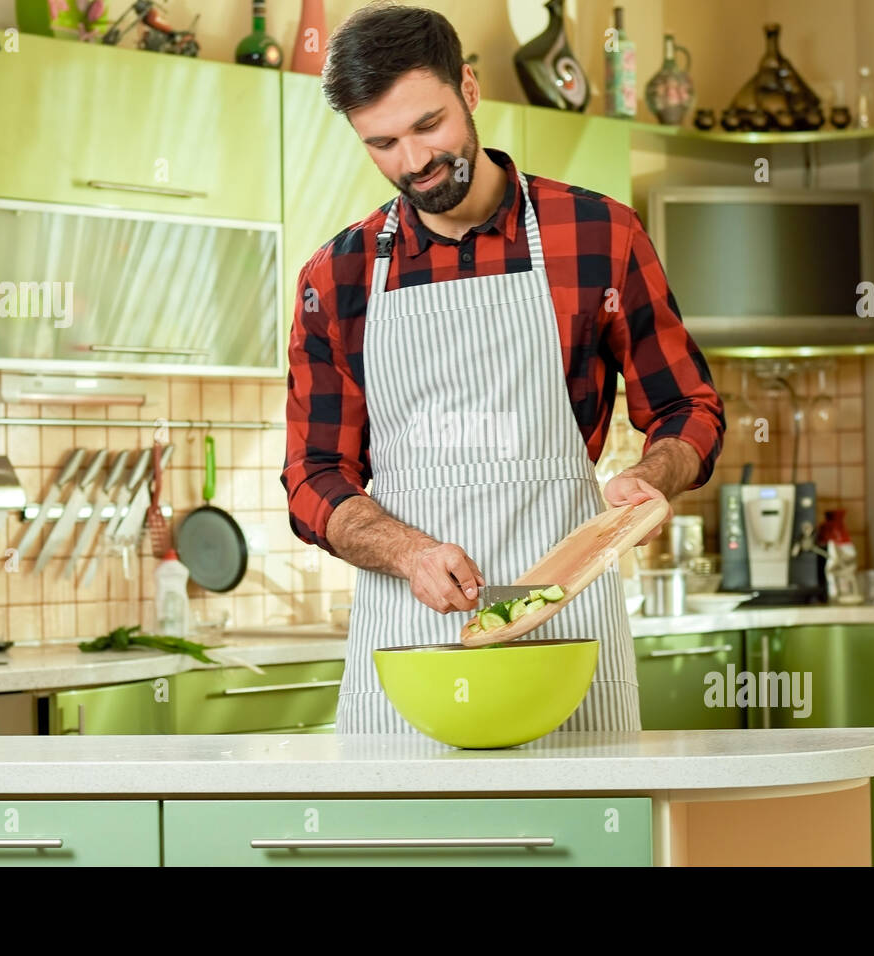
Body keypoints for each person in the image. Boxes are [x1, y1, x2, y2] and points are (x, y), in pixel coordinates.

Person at [281, 4, 725, 734]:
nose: (414, 162)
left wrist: (652, 479)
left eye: (429, 126)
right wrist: (409, 552)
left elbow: (689, 408)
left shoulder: (598, 235)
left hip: (568, 630)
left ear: (470, 88)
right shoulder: (337, 278)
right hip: (413, 640)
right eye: (383, 143)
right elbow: (312, 477)